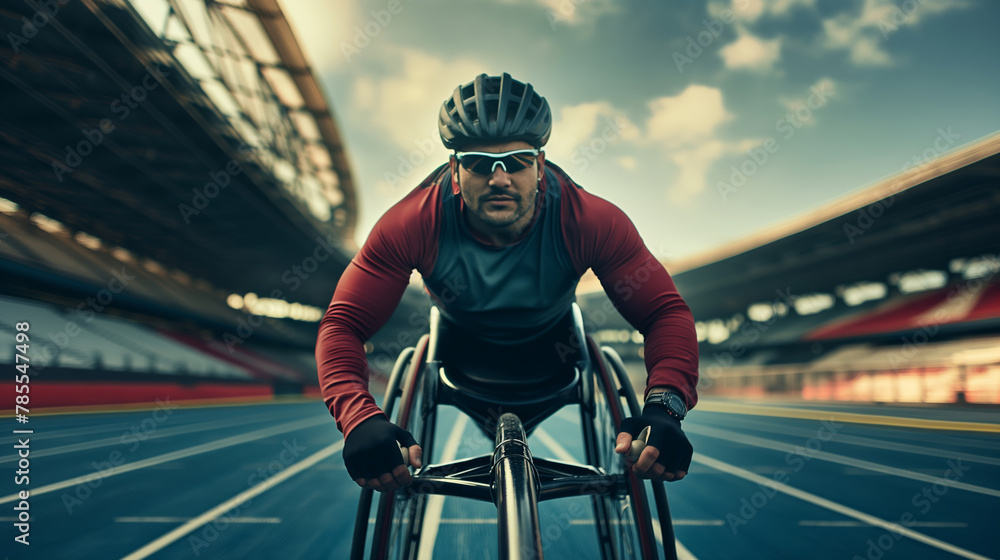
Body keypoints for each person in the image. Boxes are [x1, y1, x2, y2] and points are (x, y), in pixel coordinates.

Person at [316, 73, 699, 494]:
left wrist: (665, 407)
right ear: (454, 170)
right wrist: (360, 418)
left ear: (539, 164)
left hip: (555, 356)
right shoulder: (410, 224)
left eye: (516, 160)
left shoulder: (592, 221)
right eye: (480, 163)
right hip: (460, 359)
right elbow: (343, 325)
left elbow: (664, 312)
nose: (500, 178)